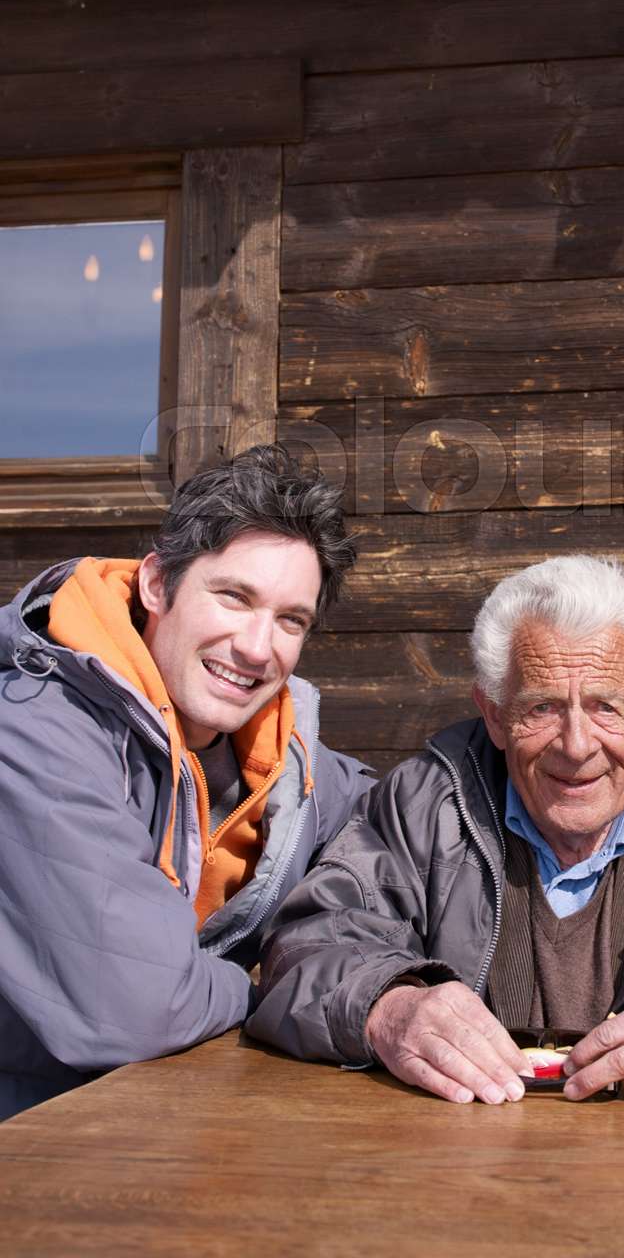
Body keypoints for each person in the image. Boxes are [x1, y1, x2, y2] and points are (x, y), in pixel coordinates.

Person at [246, 554, 624, 1102]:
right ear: (495, 715)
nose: (577, 745)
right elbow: (308, 945)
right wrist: (389, 1005)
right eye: (542, 707)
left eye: (606, 706)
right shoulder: (420, 809)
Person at [0, 445, 373, 1120]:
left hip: (158, 1136)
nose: (258, 649)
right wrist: (263, 988)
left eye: (291, 620)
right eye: (233, 597)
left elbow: (405, 830)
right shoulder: (31, 731)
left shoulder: (287, 764)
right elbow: (135, 1007)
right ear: (156, 584)